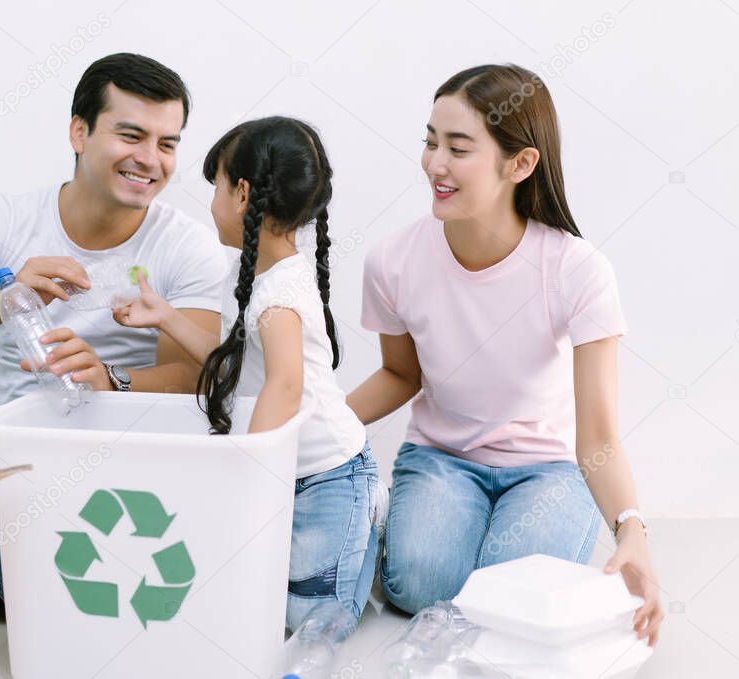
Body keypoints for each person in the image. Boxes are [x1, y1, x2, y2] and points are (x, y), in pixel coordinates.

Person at [0, 53, 227, 615]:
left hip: (130, 454)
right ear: (79, 131)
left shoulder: (185, 246)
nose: (150, 160)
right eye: (131, 135)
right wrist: (5, 301)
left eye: (167, 144)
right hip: (9, 453)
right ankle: (32, 578)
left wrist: (111, 379)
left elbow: (196, 379)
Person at [347, 64, 663, 646]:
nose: (434, 164)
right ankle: (400, 520)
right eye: (430, 141)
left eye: (458, 148)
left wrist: (631, 529)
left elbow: (595, 435)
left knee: (512, 595)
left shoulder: (577, 270)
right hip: (442, 457)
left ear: (520, 165)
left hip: (547, 467)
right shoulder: (393, 260)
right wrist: (320, 427)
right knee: (421, 586)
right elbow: (399, 373)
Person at [113, 117, 380, 632]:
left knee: (310, 620)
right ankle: (351, 539)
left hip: (327, 476)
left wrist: (250, 477)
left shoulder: (280, 295)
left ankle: (368, 525)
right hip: (281, 468)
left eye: (214, 186)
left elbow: (284, 383)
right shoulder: (247, 269)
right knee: (245, 595)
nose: (211, 201)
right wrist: (166, 316)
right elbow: (236, 362)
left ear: (241, 193)